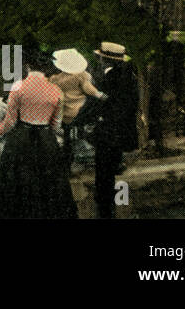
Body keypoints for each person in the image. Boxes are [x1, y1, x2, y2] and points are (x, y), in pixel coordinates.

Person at [0, 51, 77, 219]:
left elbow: (10, 121)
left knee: (16, 190)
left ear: (27, 66)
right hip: (46, 140)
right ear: (45, 68)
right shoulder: (56, 91)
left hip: (20, 140)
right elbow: (56, 124)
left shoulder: (18, 87)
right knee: (49, 188)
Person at [91, 42, 139, 219]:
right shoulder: (130, 76)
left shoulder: (111, 77)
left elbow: (103, 104)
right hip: (122, 132)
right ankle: (117, 210)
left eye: (101, 58)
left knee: (103, 175)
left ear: (106, 59)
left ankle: (105, 213)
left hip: (108, 132)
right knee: (115, 173)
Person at [49, 48, 105, 164]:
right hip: (78, 110)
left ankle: (67, 157)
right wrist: (100, 95)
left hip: (62, 112)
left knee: (67, 136)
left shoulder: (55, 79)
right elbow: (89, 90)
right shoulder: (81, 76)